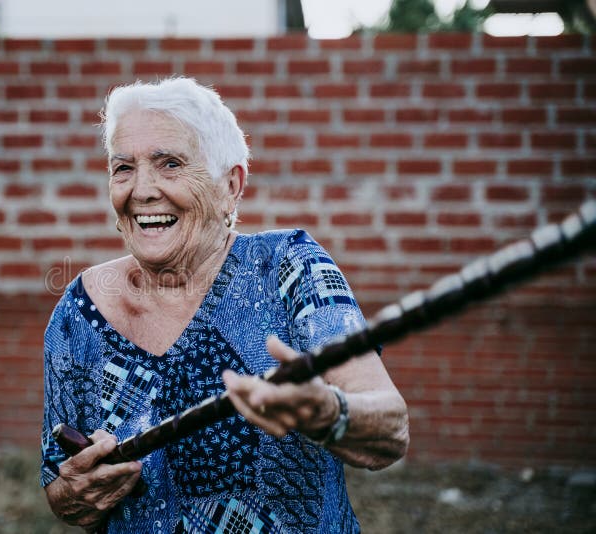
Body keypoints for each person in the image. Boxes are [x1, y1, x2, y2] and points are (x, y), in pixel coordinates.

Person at [40, 77, 409, 533]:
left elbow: (390, 429)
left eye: (170, 163)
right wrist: (76, 491)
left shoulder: (288, 267)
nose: (142, 190)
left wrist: (329, 412)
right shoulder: (78, 312)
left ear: (231, 186)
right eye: (123, 168)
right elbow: (59, 489)